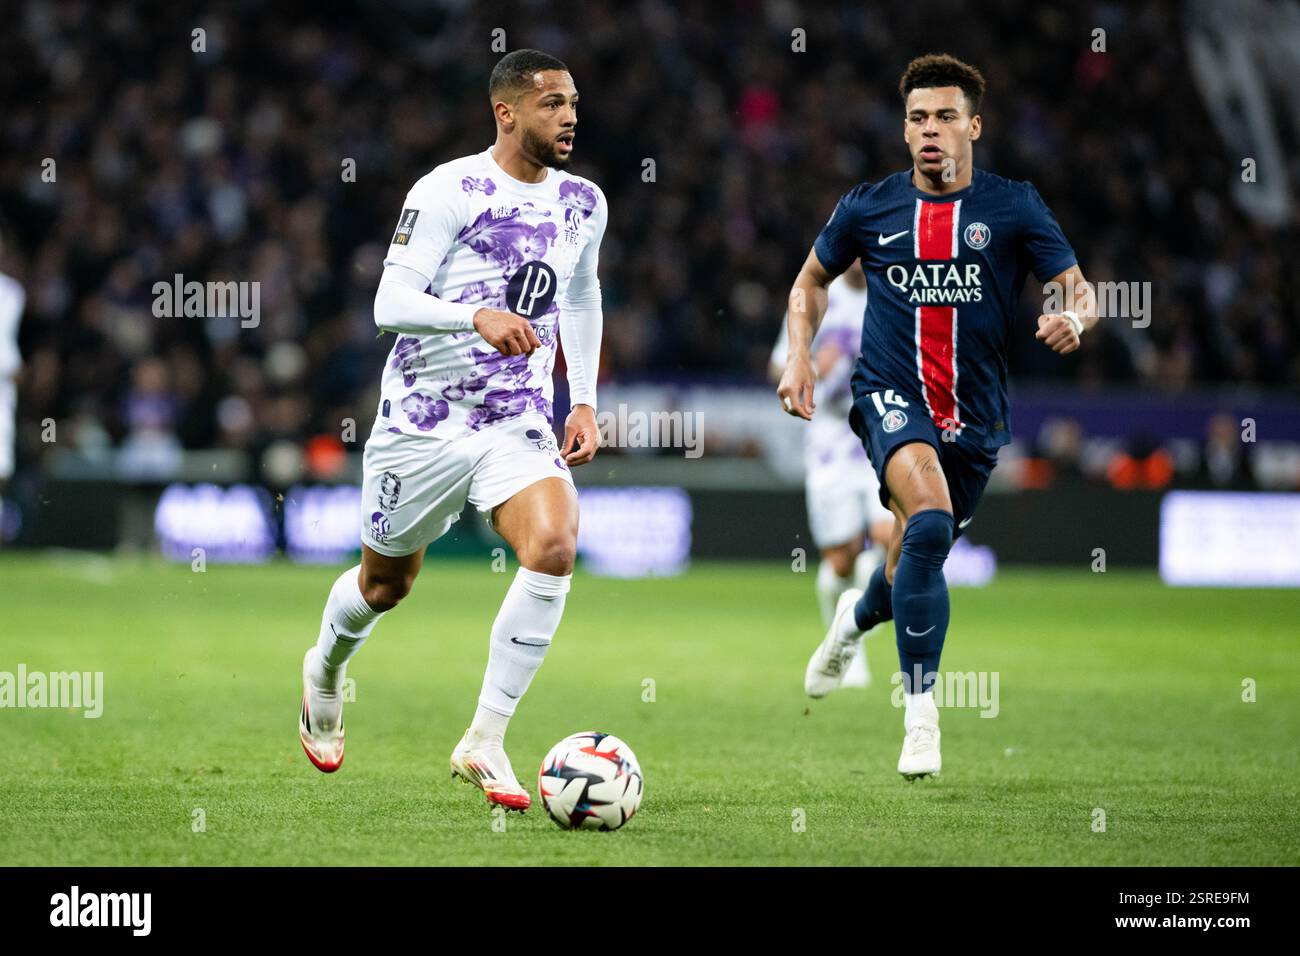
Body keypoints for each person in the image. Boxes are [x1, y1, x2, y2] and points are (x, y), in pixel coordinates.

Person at [299, 49, 607, 813]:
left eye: (573, 102)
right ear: (506, 113)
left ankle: (486, 736)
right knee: (384, 586)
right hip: (423, 423)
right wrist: (474, 315)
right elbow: (388, 302)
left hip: (516, 421)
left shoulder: (584, 202)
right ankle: (324, 672)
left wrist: (584, 399)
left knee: (555, 542)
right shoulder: (450, 189)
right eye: (550, 104)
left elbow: (583, 293)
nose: (569, 117)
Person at [778, 53, 1096, 780]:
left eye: (946, 116)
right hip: (889, 394)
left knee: (915, 558)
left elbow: (1079, 290)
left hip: (976, 420)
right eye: (918, 117)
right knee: (922, 523)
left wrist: (1076, 319)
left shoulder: (1013, 206)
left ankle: (855, 619)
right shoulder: (870, 207)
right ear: (904, 129)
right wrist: (800, 353)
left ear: (974, 126)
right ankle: (921, 716)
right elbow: (809, 282)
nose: (931, 130)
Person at [768, 261, 893, 688]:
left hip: (883, 427)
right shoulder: (815, 295)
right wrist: (810, 361)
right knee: (841, 558)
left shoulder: (890, 290)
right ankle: (842, 642)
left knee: (886, 537)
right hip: (830, 440)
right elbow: (777, 368)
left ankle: (857, 624)